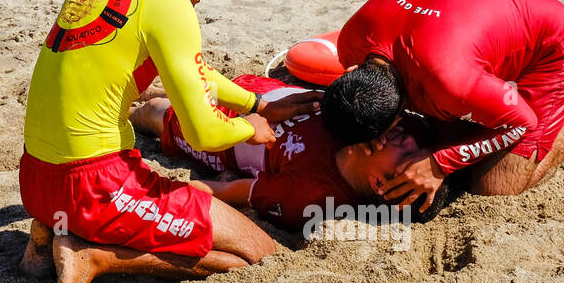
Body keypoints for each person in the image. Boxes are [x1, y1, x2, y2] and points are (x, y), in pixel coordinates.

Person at [19, 0, 322, 283]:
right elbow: (202, 133)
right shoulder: (172, 3)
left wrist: (258, 104)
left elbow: (193, 71)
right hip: (94, 186)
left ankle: (45, 231)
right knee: (257, 253)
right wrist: (249, 129)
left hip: (35, 180)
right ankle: (95, 256)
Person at [322, 0, 564, 211]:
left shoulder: (448, 85)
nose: (375, 144)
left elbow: (522, 123)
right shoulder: (350, 43)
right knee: (455, 140)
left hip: (551, 47)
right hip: (484, 10)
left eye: (374, 139)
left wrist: (439, 162)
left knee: (493, 185)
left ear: (398, 116)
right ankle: (497, 98)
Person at [131, 73, 436, 229]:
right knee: (195, 85)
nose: (406, 139)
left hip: (226, 130)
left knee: (156, 111)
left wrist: (145, 191)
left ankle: (141, 108)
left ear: (378, 182)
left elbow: (228, 191)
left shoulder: (312, 195)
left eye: (405, 154)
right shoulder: (405, 128)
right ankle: (162, 90)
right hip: (264, 92)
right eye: (419, 152)